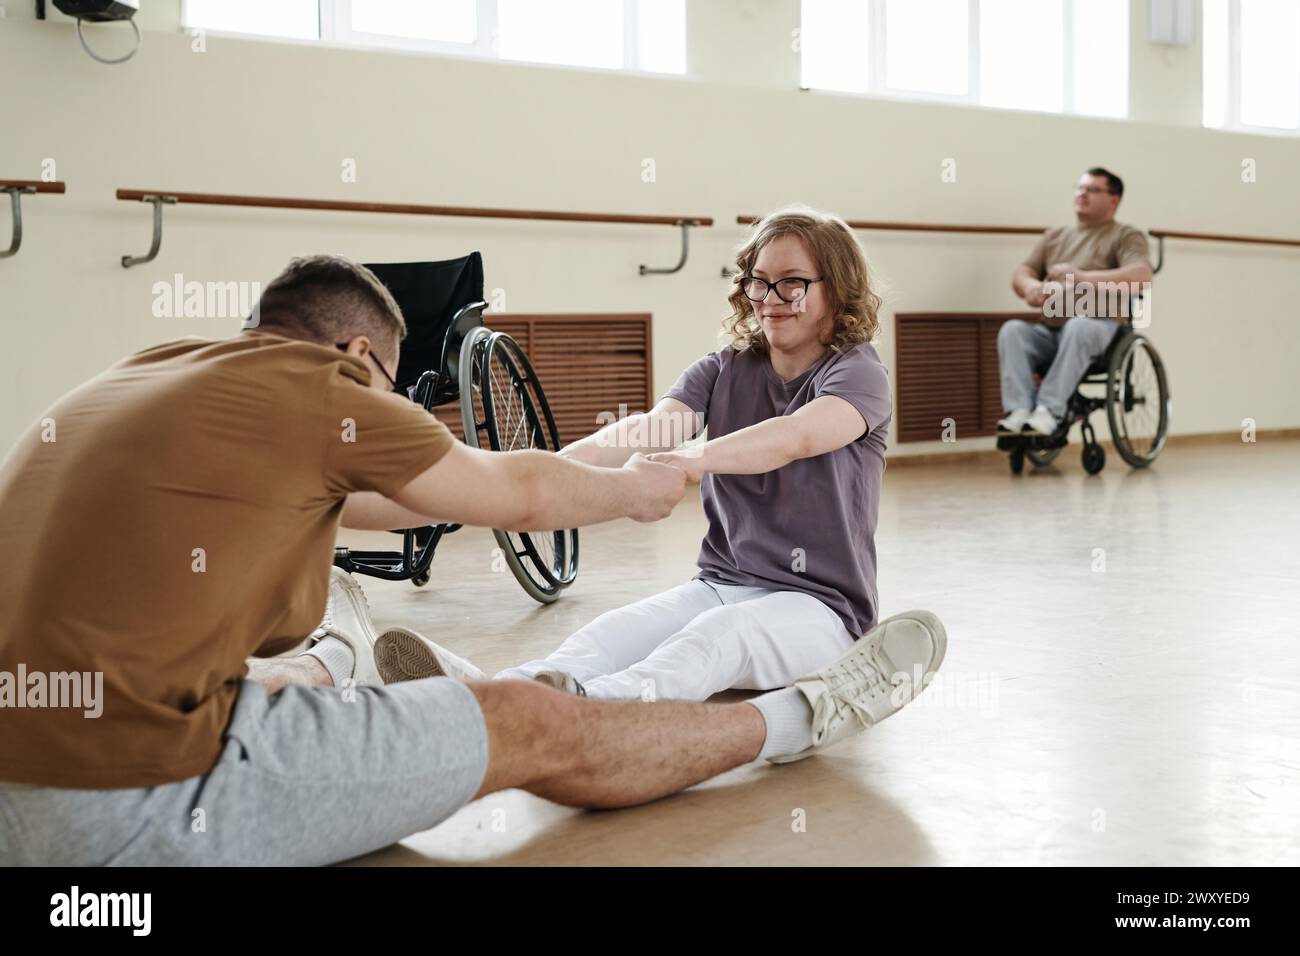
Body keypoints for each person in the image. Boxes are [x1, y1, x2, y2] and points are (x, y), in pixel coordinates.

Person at [0, 254, 946, 866]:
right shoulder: (322, 388)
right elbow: (509, 494)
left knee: (704, 642)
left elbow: (399, 501)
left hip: (29, 777)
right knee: (535, 718)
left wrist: (647, 466)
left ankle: (336, 656)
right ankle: (808, 713)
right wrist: (620, 486)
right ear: (360, 354)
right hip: (126, 808)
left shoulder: (143, 372)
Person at [488, 206, 897, 703]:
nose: (770, 300)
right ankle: (499, 695)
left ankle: (590, 712)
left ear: (836, 288)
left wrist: (693, 461)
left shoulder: (859, 373)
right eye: (758, 281)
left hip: (824, 610)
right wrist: (546, 472)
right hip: (725, 581)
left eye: (792, 283)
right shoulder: (723, 368)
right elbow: (652, 428)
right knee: (614, 632)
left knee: (716, 638)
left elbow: (796, 436)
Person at [997, 167, 1153, 437]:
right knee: (1012, 330)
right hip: (1052, 329)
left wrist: (1081, 277)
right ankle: (1019, 411)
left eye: (1092, 189)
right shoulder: (1055, 236)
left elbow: (1141, 276)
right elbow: (1023, 272)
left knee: (1080, 326)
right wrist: (1031, 287)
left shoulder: (1125, 235)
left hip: (1100, 329)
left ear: (1113, 200)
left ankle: (1048, 410)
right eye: (1079, 188)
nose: (1082, 194)